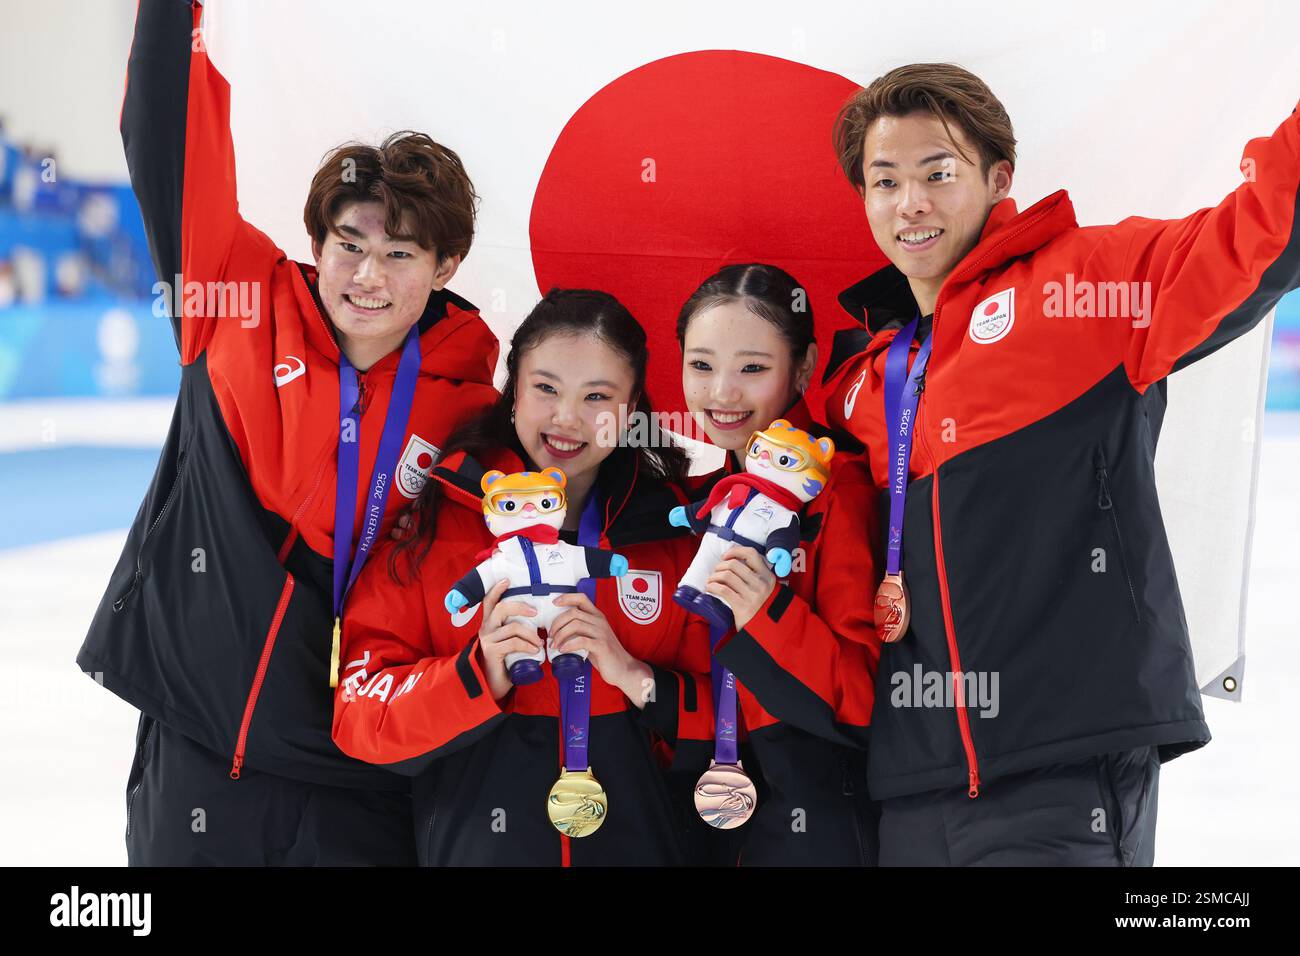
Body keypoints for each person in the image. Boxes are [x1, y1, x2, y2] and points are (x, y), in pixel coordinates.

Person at [822, 62, 1300, 865]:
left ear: (998, 177)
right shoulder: (868, 380)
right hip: (911, 788)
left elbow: (1256, 232)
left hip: (1062, 771)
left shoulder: (1086, 285)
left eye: (938, 174)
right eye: (885, 180)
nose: (911, 203)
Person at [76, 0, 499, 865]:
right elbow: (166, 134)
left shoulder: (474, 404)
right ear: (315, 240)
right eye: (347, 244)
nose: (367, 277)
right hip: (201, 752)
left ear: (447, 265)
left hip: (359, 779)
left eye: (400, 255)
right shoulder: (234, 301)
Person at [332, 289, 717, 866]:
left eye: (597, 397)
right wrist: (475, 674)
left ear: (632, 407)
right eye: (546, 388)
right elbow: (358, 717)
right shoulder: (438, 523)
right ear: (513, 390)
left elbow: (735, 718)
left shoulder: (675, 537)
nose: (566, 418)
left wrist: (638, 680)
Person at [673, 263, 882, 865]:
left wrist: (767, 610)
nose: (721, 394)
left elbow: (862, 693)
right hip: (708, 807)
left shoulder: (838, 488)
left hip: (818, 810)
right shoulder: (699, 500)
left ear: (806, 367)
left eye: (753, 369)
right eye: (702, 364)